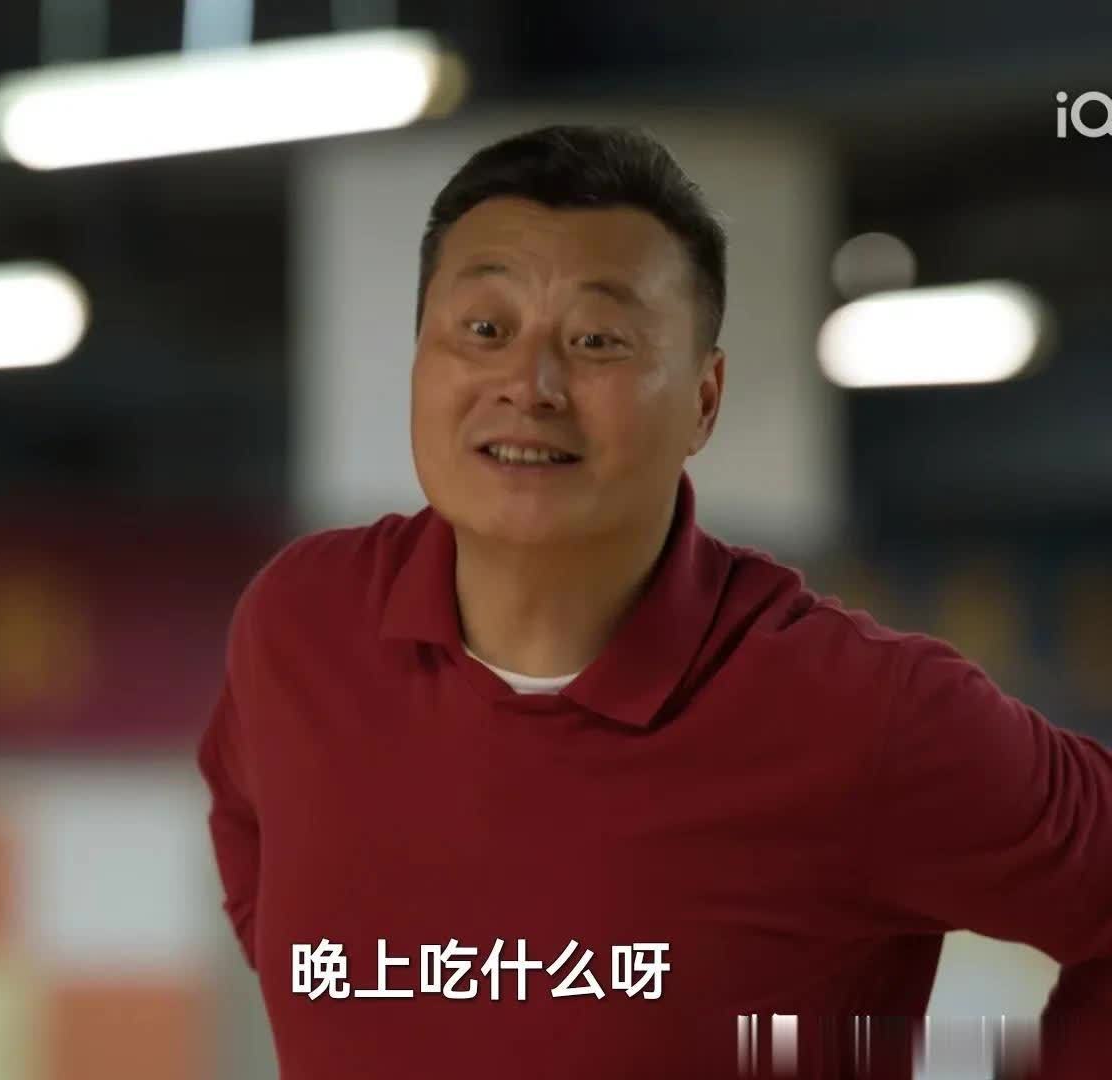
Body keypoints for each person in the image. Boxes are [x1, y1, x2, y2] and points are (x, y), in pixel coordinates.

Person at [197, 124, 1112, 1078]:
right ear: (420, 359)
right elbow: (251, 824)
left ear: (703, 401)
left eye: (597, 341)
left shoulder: (861, 714)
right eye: (484, 330)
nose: (529, 385)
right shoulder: (301, 623)